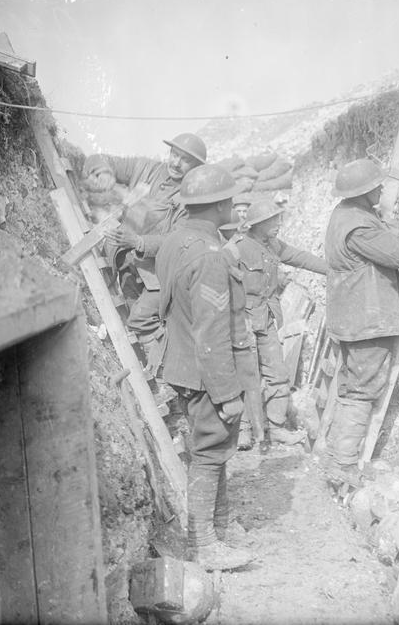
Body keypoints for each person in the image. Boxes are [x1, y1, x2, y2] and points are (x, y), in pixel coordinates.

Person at [155, 164, 256, 571]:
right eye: (230, 199)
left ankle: (219, 525)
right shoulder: (209, 256)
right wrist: (228, 394)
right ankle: (204, 544)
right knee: (211, 452)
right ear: (217, 206)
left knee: (212, 449)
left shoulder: (175, 241)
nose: (234, 205)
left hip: (181, 362)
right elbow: (211, 332)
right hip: (205, 370)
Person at [323, 158, 399, 474]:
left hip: (351, 318)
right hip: (367, 320)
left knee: (351, 386)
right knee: (361, 391)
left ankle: (335, 456)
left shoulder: (347, 215)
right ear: (364, 191)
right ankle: (343, 466)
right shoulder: (358, 226)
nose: (381, 188)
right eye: (376, 185)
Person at [82, 133, 207, 375]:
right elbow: (107, 161)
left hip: (160, 275)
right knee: (137, 318)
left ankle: (170, 376)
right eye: (174, 155)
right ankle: (163, 375)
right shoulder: (148, 168)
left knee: (144, 319)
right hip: (127, 264)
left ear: (196, 167)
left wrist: (139, 241)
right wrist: (102, 171)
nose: (176, 163)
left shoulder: (193, 200)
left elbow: (178, 240)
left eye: (185, 160)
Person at [224, 194, 327, 448]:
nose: (278, 224)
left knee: (278, 374)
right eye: (272, 220)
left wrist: (333, 268)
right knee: (246, 376)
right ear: (256, 224)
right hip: (242, 321)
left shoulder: (273, 245)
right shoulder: (234, 249)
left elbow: (300, 257)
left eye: (278, 219)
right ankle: (245, 430)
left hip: (266, 318)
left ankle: (276, 426)